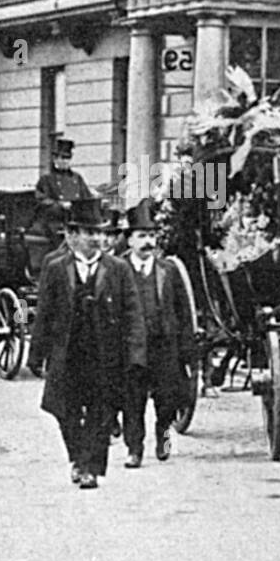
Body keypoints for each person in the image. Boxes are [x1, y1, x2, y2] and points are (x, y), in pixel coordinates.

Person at [28, 198, 146, 490]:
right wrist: (36, 354)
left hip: (105, 354)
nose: (96, 238)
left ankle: (90, 467)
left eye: (99, 232)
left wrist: (135, 355)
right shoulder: (55, 268)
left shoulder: (118, 269)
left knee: (101, 411)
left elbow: (133, 313)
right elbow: (44, 313)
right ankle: (77, 457)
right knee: (65, 410)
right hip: (67, 353)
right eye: (88, 231)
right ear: (71, 235)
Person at [119, 200, 195, 468]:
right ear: (129, 240)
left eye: (151, 235)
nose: (148, 242)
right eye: (141, 236)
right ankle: (134, 448)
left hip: (164, 345)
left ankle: (163, 434)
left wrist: (186, 348)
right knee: (132, 401)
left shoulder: (168, 270)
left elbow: (184, 311)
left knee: (167, 400)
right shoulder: (118, 270)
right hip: (131, 348)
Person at [33, 137, 93, 234]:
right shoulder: (46, 179)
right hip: (55, 224)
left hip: (77, 223)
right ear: (55, 159)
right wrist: (60, 205)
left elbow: (87, 197)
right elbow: (41, 201)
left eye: (68, 158)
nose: (66, 161)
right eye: (63, 157)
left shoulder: (77, 178)